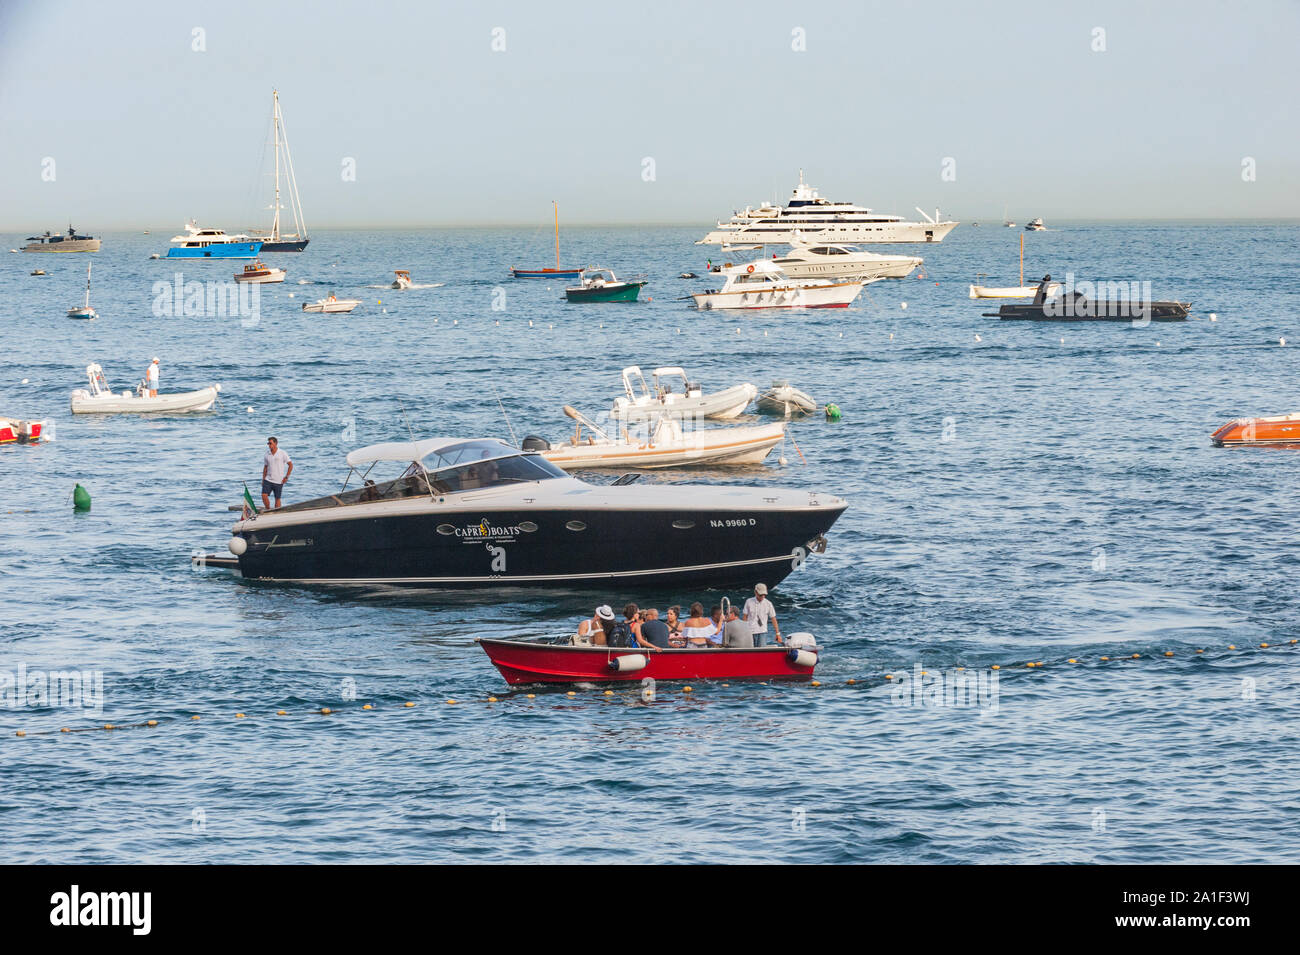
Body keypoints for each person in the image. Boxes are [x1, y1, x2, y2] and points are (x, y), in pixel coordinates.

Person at [261, 436, 294, 510]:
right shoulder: (267, 454)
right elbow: (265, 467)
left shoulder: (282, 453)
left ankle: (277, 513)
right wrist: (263, 479)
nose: (269, 445)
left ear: (276, 443)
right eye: (268, 443)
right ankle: (268, 509)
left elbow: (290, 465)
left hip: (279, 480)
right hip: (268, 479)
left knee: (277, 499)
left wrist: (286, 477)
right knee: (264, 496)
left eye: (270, 443)